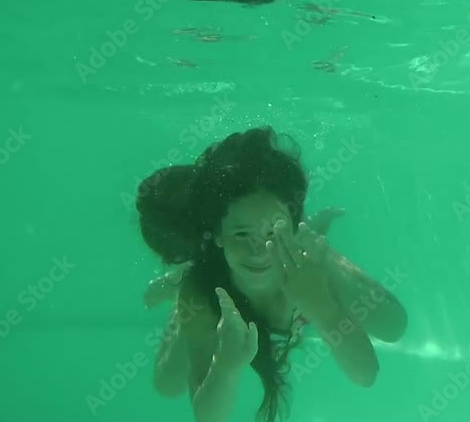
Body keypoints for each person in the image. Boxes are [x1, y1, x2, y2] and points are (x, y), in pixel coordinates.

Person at [135, 126, 408, 422]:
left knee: (393, 327)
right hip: (220, 277)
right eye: (241, 234)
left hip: (301, 259)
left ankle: (308, 234)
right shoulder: (204, 291)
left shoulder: (311, 265)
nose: (258, 250)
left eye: (273, 230)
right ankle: (181, 279)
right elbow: (207, 417)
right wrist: (225, 367)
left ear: (293, 225)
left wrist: (323, 308)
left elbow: (366, 375)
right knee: (166, 385)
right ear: (218, 234)